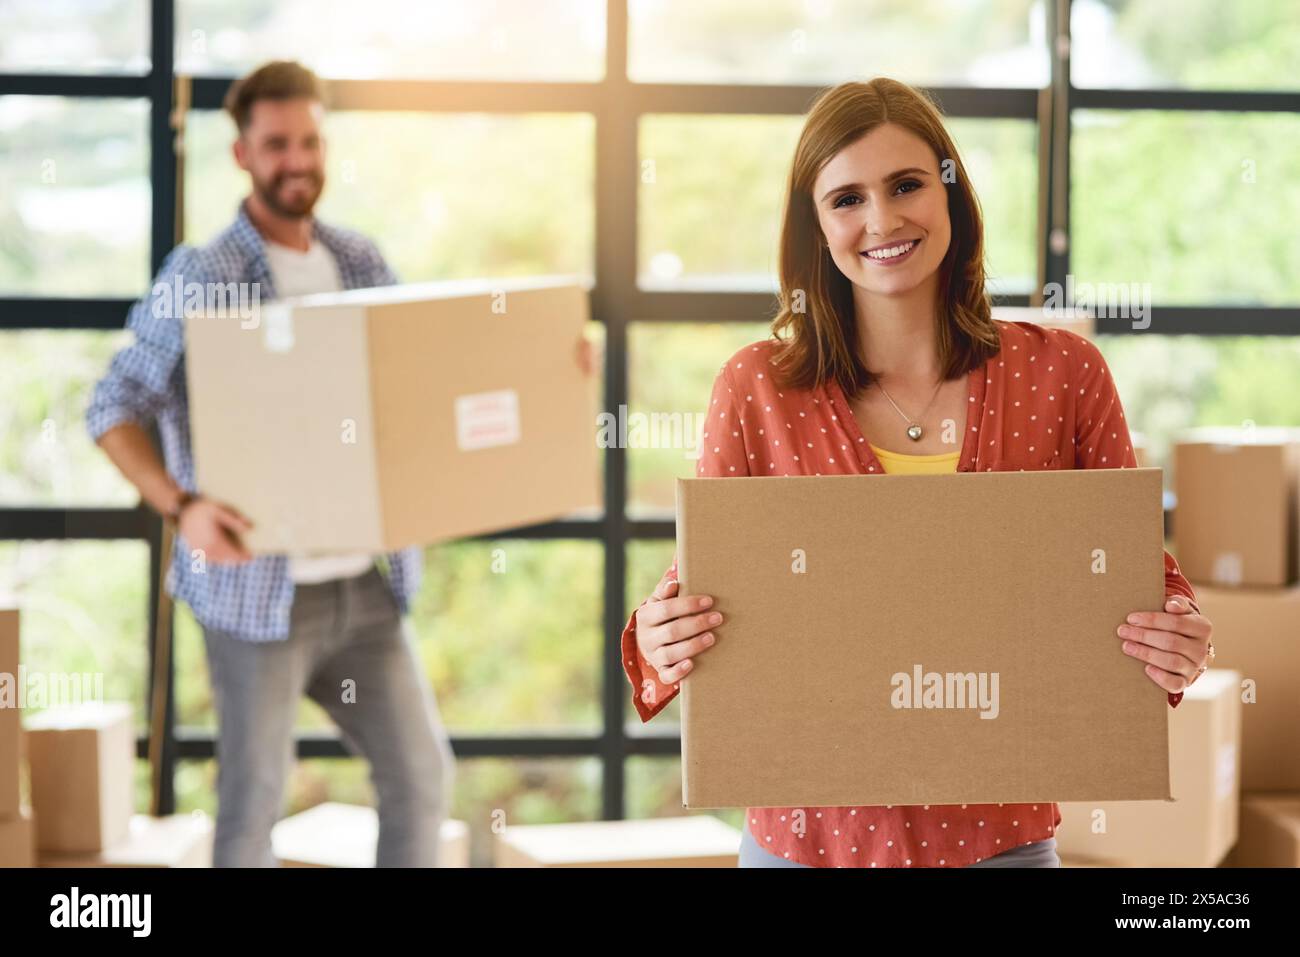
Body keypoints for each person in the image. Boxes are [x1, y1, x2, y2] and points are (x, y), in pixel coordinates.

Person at [621, 77, 1215, 869]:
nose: (881, 220)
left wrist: (1177, 631)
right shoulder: (757, 387)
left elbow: (1135, 575)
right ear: (816, 225)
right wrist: (659, 637)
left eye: (905, 185)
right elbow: (706, 588)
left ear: (950, 192)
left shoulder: (1064, 374)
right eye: (847, 199)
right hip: (807, 843)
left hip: (1002, 842)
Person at [88, 60, 594, 866]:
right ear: (242, 154)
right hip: (257, 592)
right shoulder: (205, 274)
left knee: (420, 778)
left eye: (310, 141)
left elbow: (432, 383)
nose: (297, 160)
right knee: (252, 804)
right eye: (276, 144)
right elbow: (111, 407)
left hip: (364, 586)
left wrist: (549, 368)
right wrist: (183, 506)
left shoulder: (358, 260)